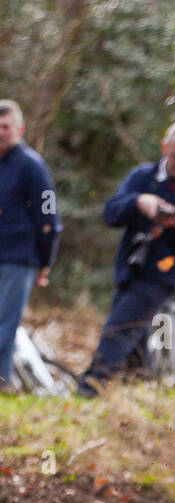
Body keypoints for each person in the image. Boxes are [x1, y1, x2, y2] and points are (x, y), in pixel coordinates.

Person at [79, 121, 175, 396]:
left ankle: (90, 388)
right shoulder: (141, 178)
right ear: (164, 147)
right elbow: (110, 213)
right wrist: (139, 203)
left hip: (162, 275)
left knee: (118, 331)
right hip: (129, 270)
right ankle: (138, 395)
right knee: (135, 344)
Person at [0, 99, 60, 392]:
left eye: (5, 127)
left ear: (19, 129)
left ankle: (1, 381)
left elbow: (48, 215)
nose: (0, 132)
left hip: (19, 257)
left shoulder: (32, 166)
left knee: (4, 322)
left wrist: (45, 259)